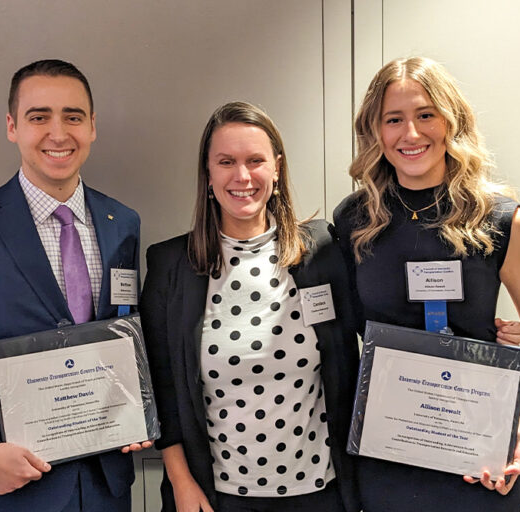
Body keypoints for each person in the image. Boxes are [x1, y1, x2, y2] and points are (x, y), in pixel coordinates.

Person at [0, 59, 148, 512]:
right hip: (9, 491)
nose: (58, 134)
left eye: (73, 117)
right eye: (39, 117)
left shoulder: (124, 224)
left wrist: (136, 409)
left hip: (104, 486)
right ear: (12, 126)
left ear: (92, 127)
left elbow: (122, 331)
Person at [334, 57, 520, 511]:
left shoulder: (496, 218)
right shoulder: (354, 218)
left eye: (425, 115)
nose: (411, 134)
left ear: (451, 120)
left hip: (477, 454)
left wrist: (516, 428)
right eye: (393, 119)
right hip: (388, 450)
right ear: (375, 131)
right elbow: (348, 327)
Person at [140, 102, 360, 512]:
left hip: (320, 493)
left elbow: (374, 334)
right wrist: (182, 484)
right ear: (208, 174)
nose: (242, 176)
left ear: (276, 169)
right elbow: (161, 388)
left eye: (255, 161)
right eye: (226, 162)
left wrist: (481, 334)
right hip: (216, 497)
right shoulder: (172, 266)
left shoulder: (322, 252)